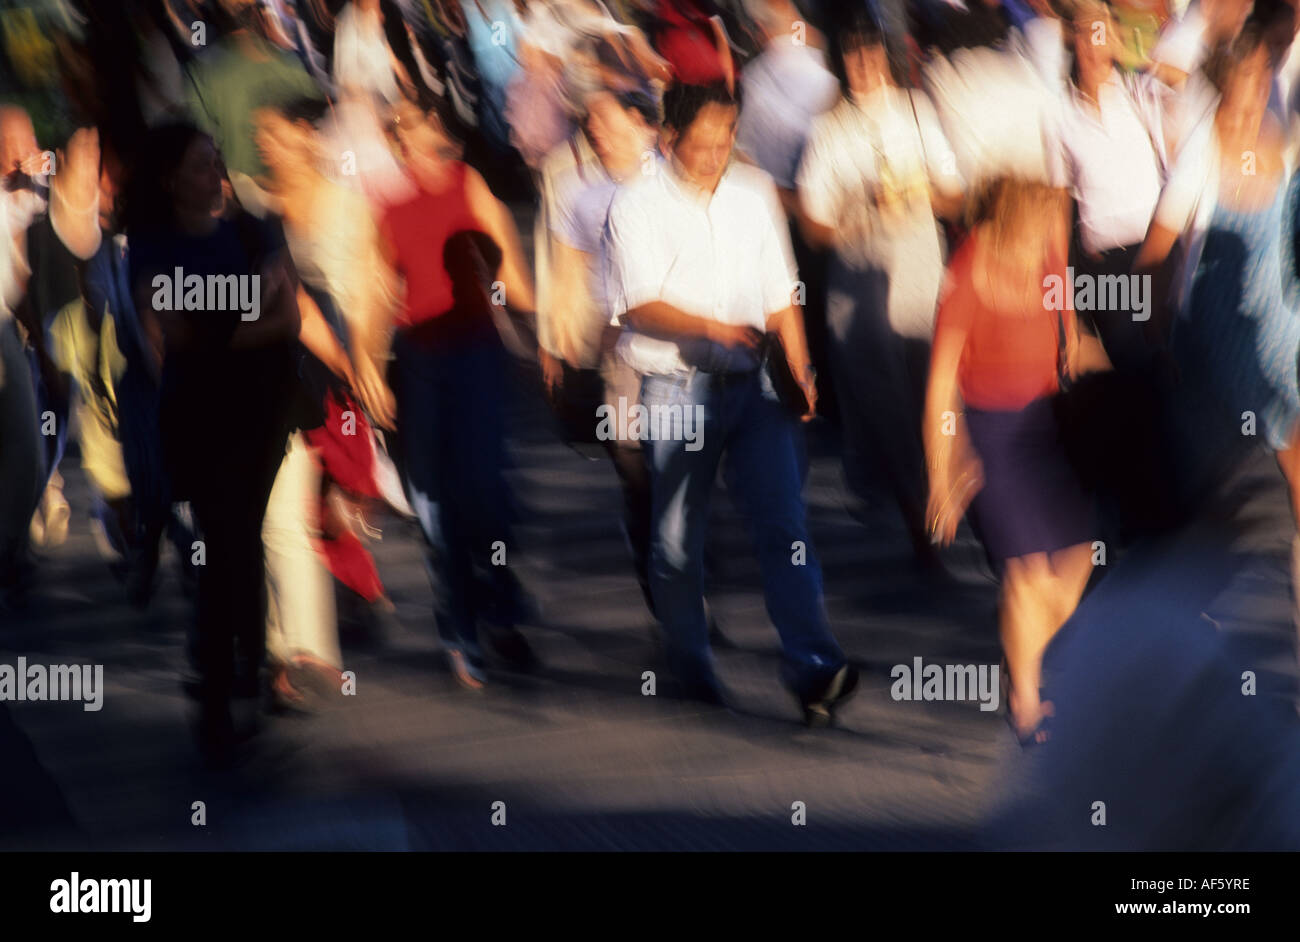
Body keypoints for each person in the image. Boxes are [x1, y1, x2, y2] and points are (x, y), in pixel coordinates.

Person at [605, 80, 858, 724]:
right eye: (701, 145)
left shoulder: (752, 194)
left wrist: (800, 366)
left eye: (725, 141)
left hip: (757, 386)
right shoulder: (635, 204)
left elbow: (781, 289)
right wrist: (714, 328)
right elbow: (637, 303)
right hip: (677, 388)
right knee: (677, 541)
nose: (716, 155)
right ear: (669, 139)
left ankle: (814, 669)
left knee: (785, 527)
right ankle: (690, 663)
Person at [126, 123, 302, 761]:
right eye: (201, 165)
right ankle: (222, 684)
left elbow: (290, 318)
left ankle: (240, 672)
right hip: (198, 421)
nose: (215, 176)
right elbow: (172, 332)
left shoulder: (248, 232)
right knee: (222, 543)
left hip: (258, 415)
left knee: (238, 540)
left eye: (217, 163)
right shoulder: (151, 246)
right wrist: (247, 311)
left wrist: (224, 326)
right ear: (171, 178)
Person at [369, 96, 537, 689]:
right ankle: (461, 630)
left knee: (484, 490)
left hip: (476, 353)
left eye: (422, 122)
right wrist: (367, 364)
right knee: (437, 502)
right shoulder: (387, 207)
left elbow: (510, 274)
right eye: (402, 129)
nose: (415, 136)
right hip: (421, 358)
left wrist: (542, 328)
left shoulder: (469, 184)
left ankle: (499, 597)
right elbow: (381, 290)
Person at [925, 177, 1095, 745]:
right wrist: (941, 473)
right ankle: (1024, 700)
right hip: (991, 435)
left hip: (1048, 426)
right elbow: (939, 389)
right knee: (1026, 572)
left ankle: (1019, 655)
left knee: (1076, 559)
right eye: (1033, 236)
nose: (1041, 249)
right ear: (1002, 230)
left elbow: (1070, 334)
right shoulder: (966, 278)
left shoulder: (1046, 257)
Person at [796, 10, 962, 564]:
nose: (863, 62)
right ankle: (919, 523)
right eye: (852, 52)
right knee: (885, 404)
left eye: (871, 50)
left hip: (917, 268)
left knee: (932, 393)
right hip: (861, 278)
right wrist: (853, 213)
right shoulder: (829, 127)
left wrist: (917, 192)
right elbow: (812, 223)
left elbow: (954, 196)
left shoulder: (916, 111)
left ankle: (946, 495)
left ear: (887, 54)